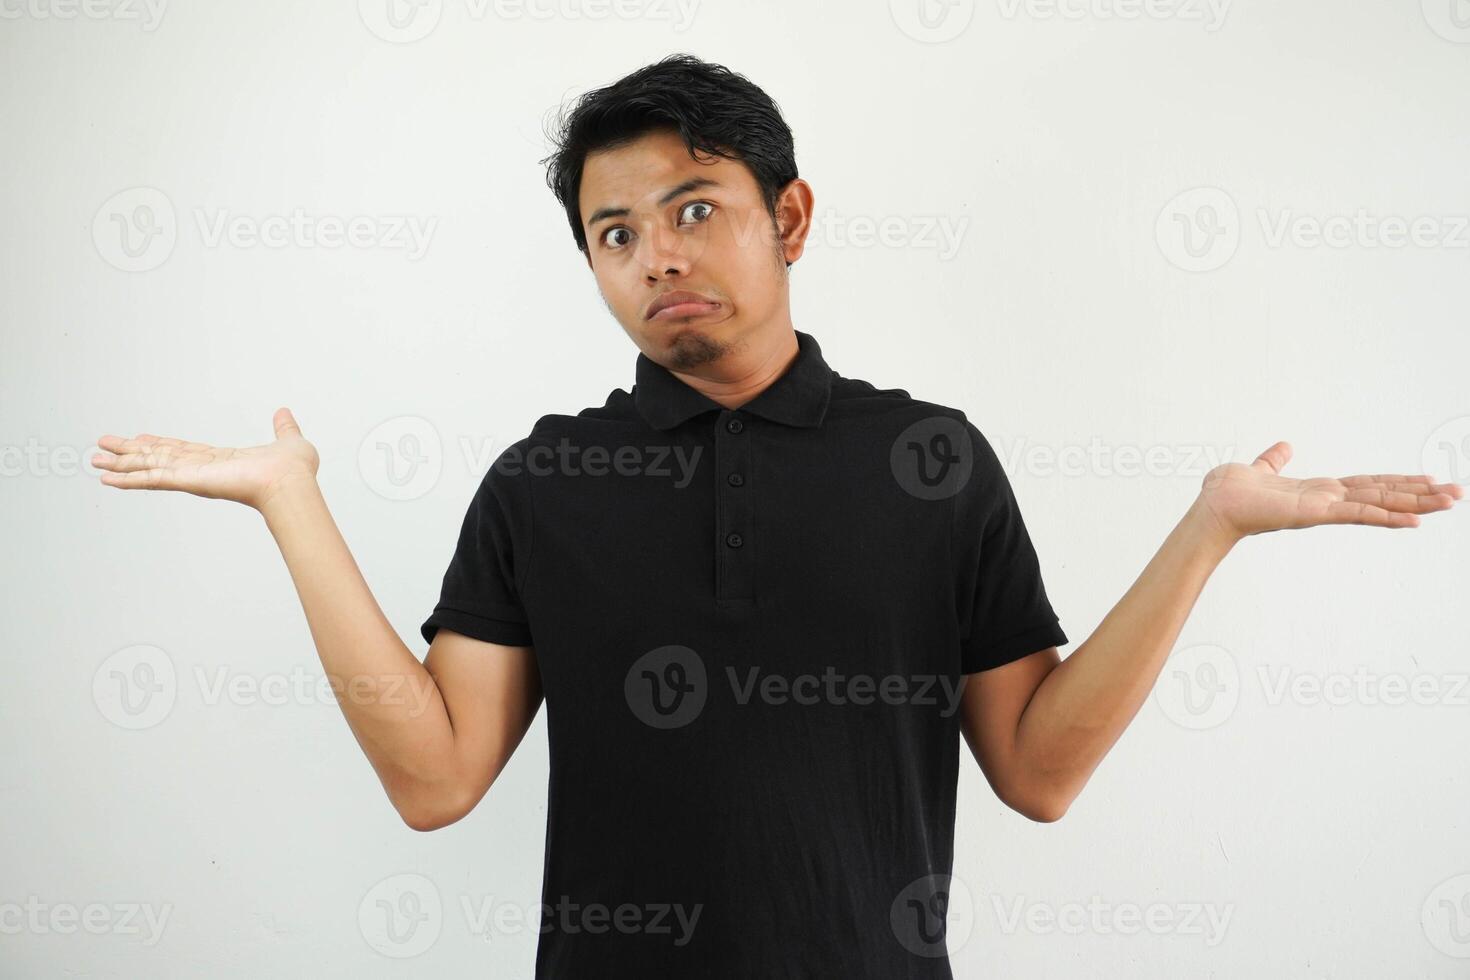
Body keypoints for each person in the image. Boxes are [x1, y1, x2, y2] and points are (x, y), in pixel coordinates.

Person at [92, 53, 1462, 979]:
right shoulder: (544, 481)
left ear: (787, 216)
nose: (657, 255)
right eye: (614, 233)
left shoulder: (931, 461)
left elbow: (1036, 772)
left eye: (695, 207)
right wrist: (292, 508)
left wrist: (1207, 528)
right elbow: (435, 780)